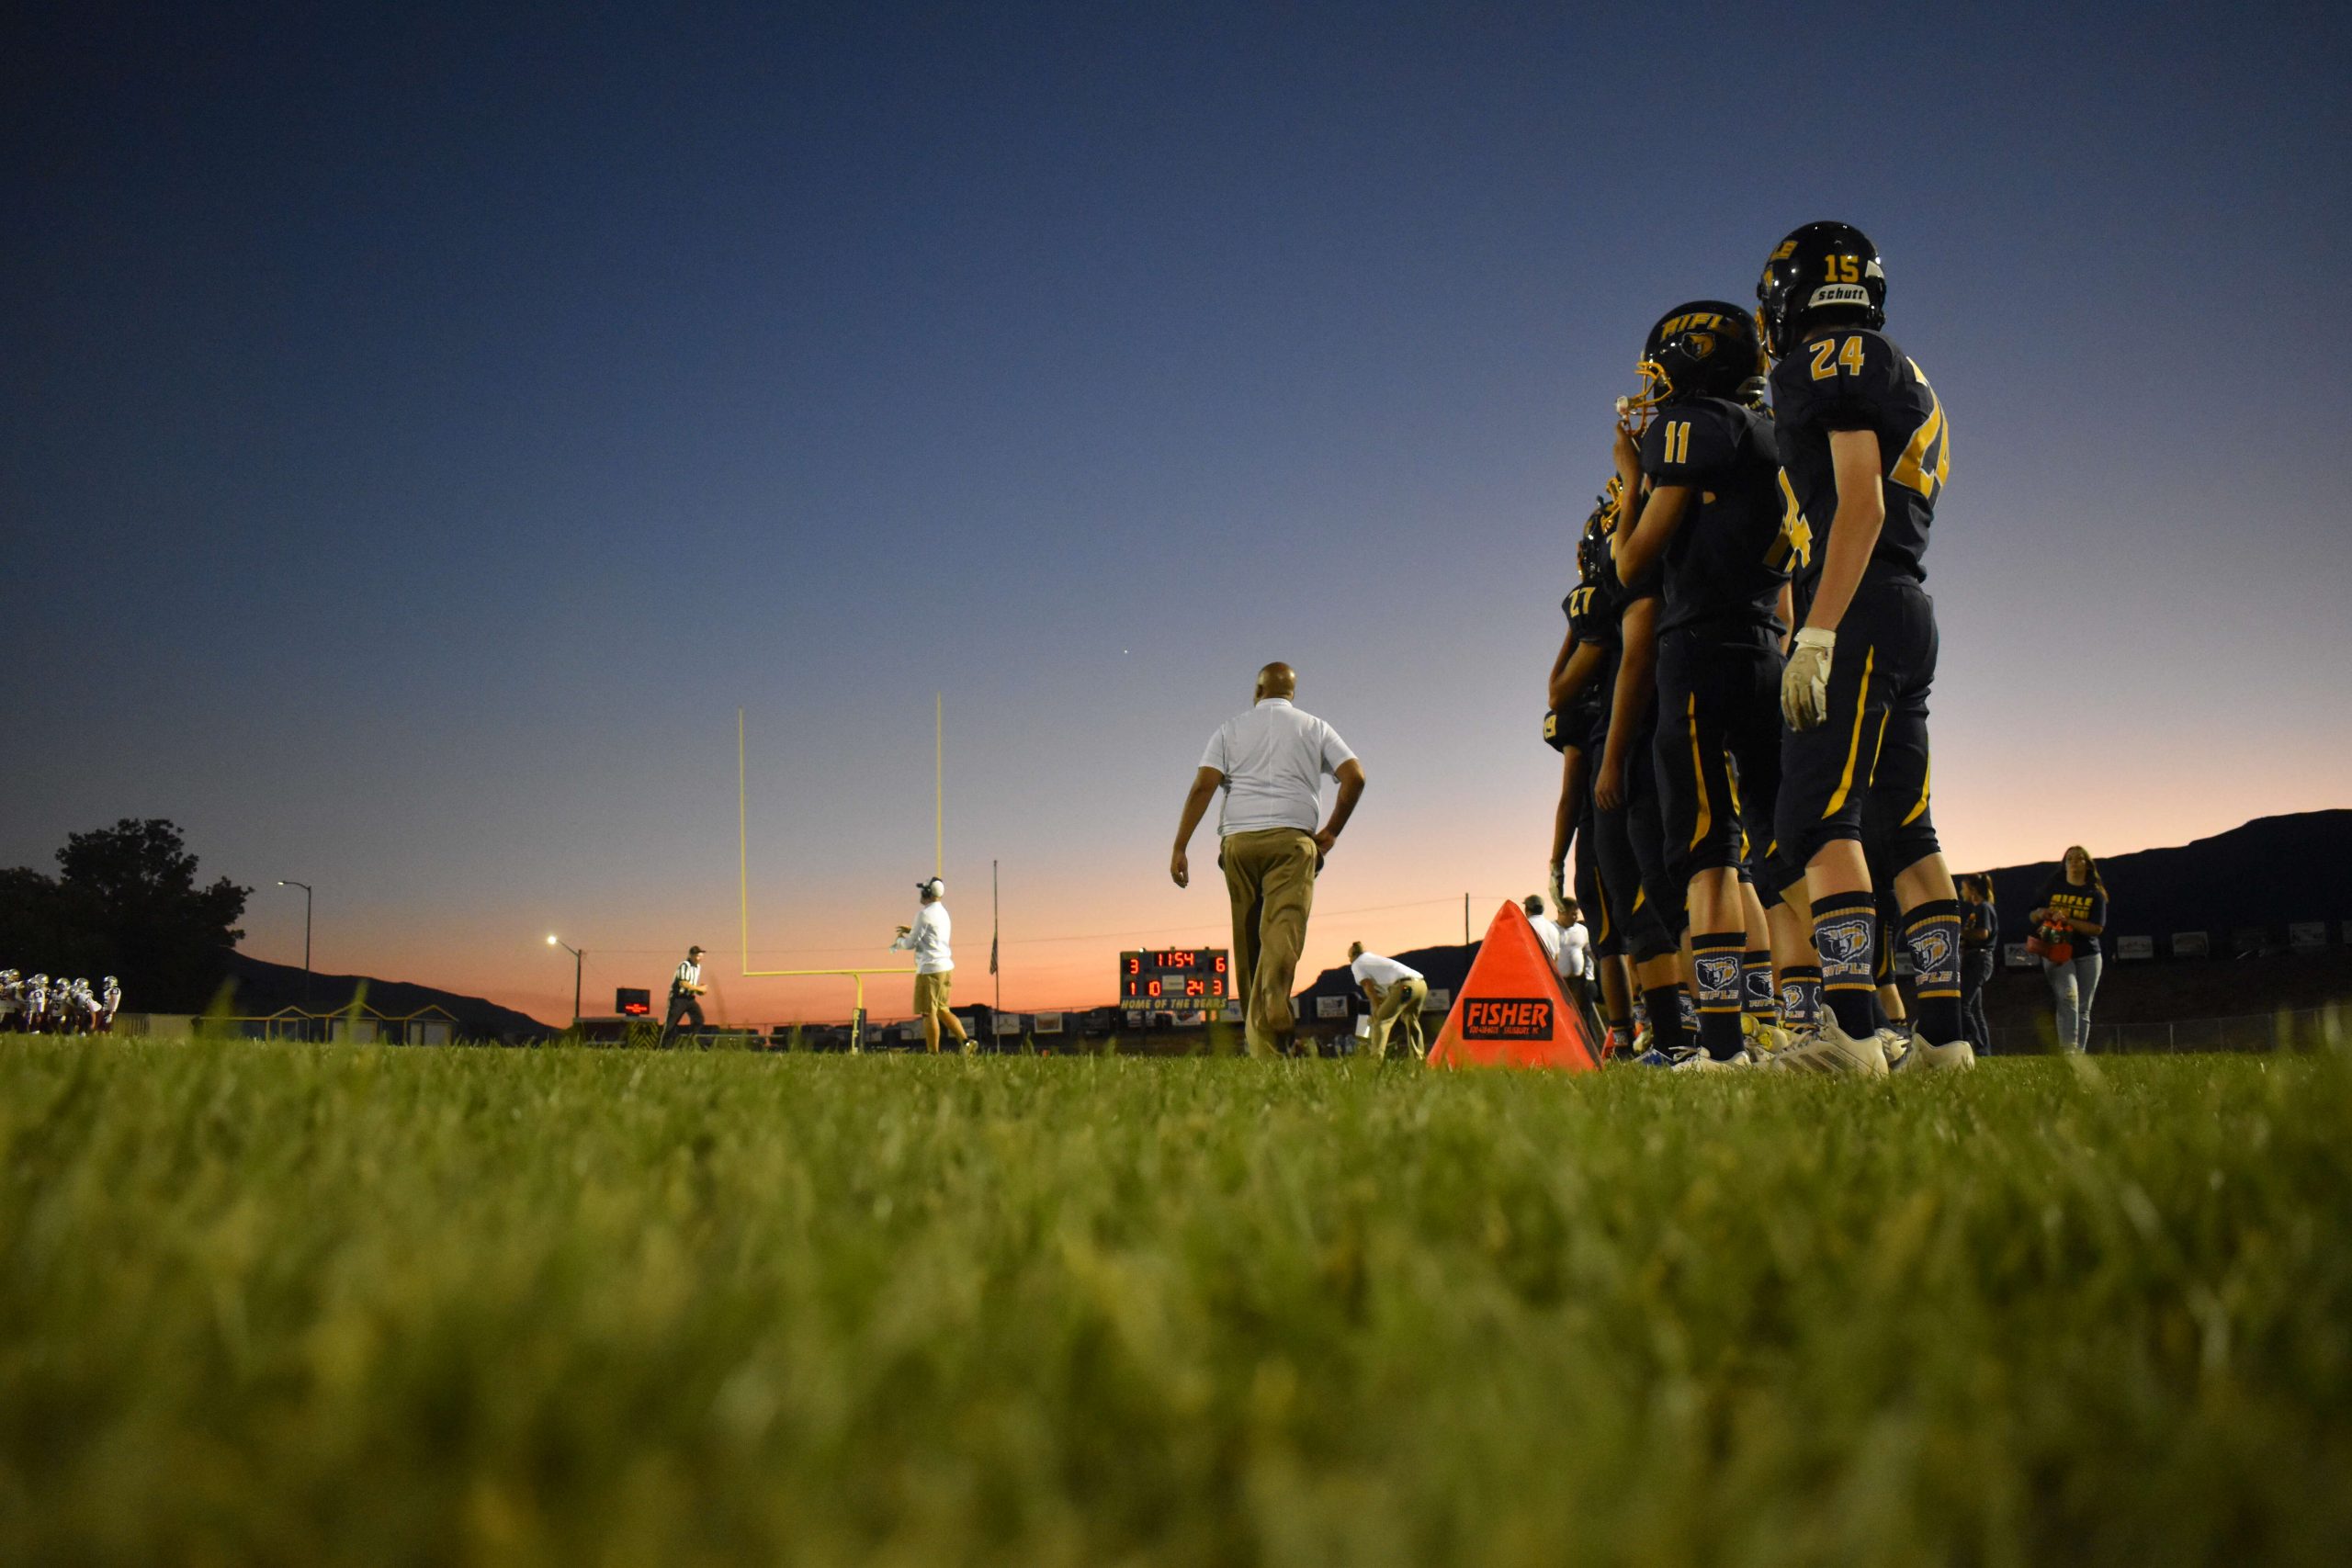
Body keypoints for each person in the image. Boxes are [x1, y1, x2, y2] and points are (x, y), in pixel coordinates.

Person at [1756, 220, 1972, 1075]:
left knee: (1816, 819)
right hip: (1908, 603)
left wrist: (1816, 629)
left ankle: (1848, 1037)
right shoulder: (1904, 370)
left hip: (1858, 599)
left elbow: (1861, 502)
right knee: (1907, 828)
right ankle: (1946, 1041)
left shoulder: (1829, 358)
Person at [1611, 299, 1794, 1066]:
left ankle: (1720, 1044)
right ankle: (1822, 1024)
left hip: (1700, 650)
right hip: (1768, 645)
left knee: (1708, 851)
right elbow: (1785, 583)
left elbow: (1632, 562)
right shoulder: (1771, 434)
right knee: (1784, 852)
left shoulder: (1687, 426)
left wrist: (1631, 478)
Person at [1171, 662, 1366, 1056]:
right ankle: (1276, 993)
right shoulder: (1315, 727)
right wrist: (1331, 832)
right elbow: (1355, 776)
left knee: (1247, 945)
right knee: (1283, 926)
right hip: (1292, 841)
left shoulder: (1229, 730)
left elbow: (1203, 786)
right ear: (1291, 693)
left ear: (1257, 692)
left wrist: (1180, 846)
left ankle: (1263, 1051)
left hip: (1239, 843)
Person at [2030, 846, 2108, 1052]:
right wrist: (2041, 913)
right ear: (2064, 864)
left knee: (2083, 1007)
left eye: (2079, 858)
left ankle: (2078, 1055)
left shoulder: (2095, 894)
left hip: (2088, 955)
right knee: (2068, 997)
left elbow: (2096, 928)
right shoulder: (2052, 888)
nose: (2074, 862)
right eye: (2069, 859)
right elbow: (2032, 915)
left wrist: (2068, 920)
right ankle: (2068, 1051)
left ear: (2087, 864)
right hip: (2057, 952)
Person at [892, 876, 969, 1054]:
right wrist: (912, 931)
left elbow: (911, 944)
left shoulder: (924, 914)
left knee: (929, 1012)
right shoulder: (943, 912)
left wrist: (899, 942)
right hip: (945, 967)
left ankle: (933, 1054)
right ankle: (966, 1042)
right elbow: (931, 936)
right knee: (943, 1009)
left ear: (927, 892)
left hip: (930, 969)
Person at [1349, 942, 1428, 1061]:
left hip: (1404, 987)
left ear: (1352, 956)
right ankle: (1418, 1058)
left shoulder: (1357, 963)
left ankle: (1376, 1060)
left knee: (1381, 1020)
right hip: (1419, 986)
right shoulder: (1373, 960)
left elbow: (1367, 985)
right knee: (1411, 1020)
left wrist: (1376, 1008)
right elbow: (1390, 996)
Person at [1959, 874, 1997, 1054]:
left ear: (1973, 889)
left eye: (1964, 887)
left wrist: (1959, 931)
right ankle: (1985, 1051)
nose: (1961, 892)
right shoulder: (1976, 909)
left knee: (1963, 1004)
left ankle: (1977, 1045)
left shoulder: (1984, 908)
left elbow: (1983, 934)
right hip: (1973, 959)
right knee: (1975, 1009)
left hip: (1980, 960)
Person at [658, 944, 707, 1047]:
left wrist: (700, 991)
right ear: (691, 955)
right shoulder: (684, 965)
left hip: (689, 998)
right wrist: (698, 989)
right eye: (697, 956)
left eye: (700, 956)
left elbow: (691, 985)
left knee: (699, 1019)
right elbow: (683, 983)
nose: (699, 958)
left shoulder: (698, 967)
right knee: (671, 1024)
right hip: (678, 999)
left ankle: (689, 1041)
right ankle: (663, 1048)